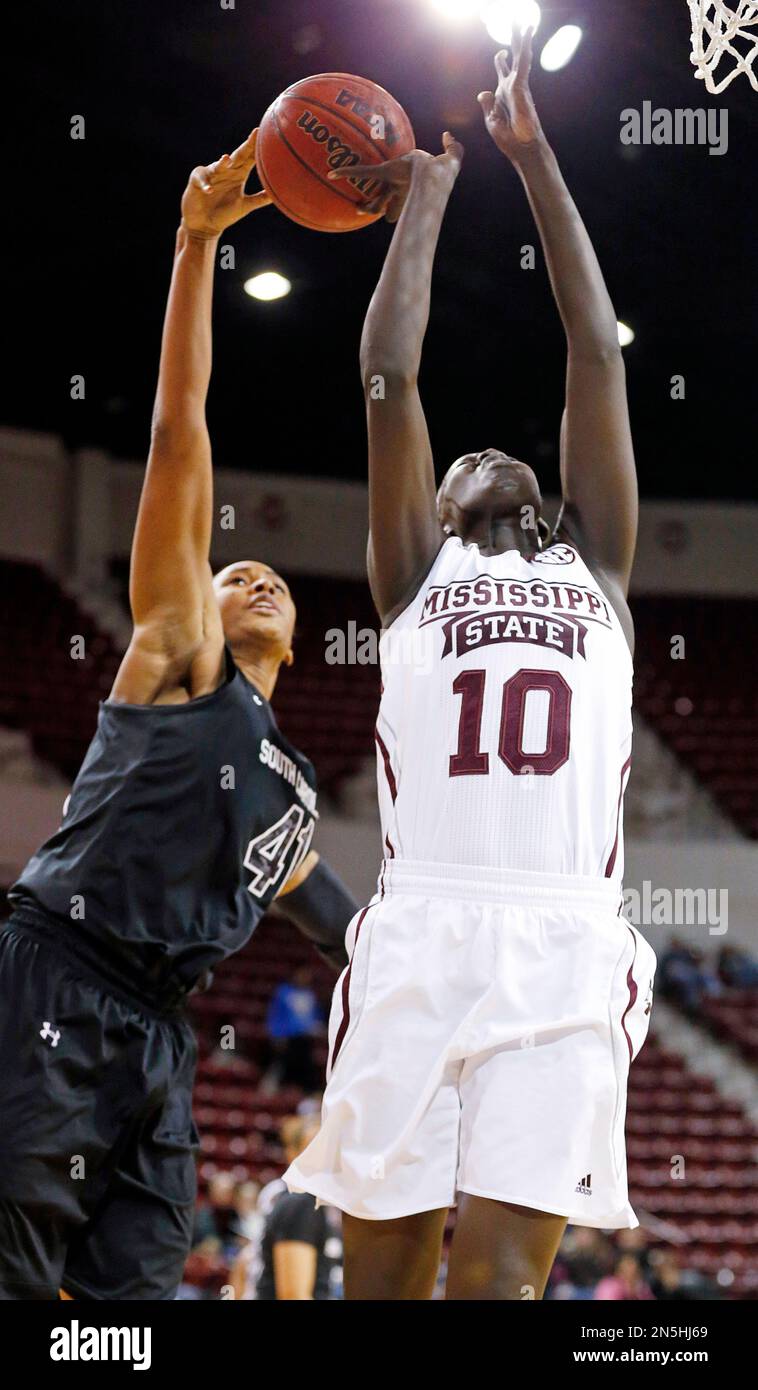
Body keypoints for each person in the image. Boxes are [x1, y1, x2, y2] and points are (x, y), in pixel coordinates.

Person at [285, 29, 657, 1299]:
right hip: (422, 921)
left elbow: (596, 350)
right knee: (384, 1287)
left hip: (560, 936)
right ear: (442, 507)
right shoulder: (416, 577)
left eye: (496, 454)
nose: (473, 453)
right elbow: (388, 372)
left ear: (544, 498)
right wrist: (429, 198)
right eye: (452, 461)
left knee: (496, 1287)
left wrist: (535, 154)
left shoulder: (597, 571)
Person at [0, 129, 358, 1301]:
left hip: (159, 1041)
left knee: (135, 1311)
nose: (252, 574)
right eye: (229, 567)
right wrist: (195, 243)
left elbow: (348, 933)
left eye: (275, 579)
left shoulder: (294, 791)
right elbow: (176, 435)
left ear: (298, 644)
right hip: (51, 976)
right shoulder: (178, 657)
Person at [264, 966, 324, 1093]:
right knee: (283, 1069)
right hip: (287, 1039)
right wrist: (276, 1035)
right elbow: (276, 1015)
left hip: (305, 1039)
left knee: (305, 1070)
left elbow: (315, 1016)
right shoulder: (283, 992)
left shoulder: (310, 994)